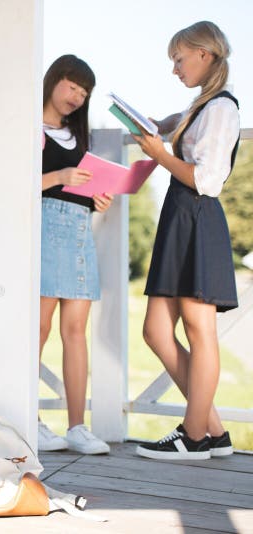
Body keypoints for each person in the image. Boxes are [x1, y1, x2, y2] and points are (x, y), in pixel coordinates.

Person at [133, 21, 240, 461]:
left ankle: (194, 436)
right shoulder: (200, 107)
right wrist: (154, 126)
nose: (175, 69)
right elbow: (175, 125)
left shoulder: (221, 108)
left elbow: (207, 180)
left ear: (204, 54)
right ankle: (213, 431)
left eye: (179, 59)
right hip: (178, 217)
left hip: (197, 215)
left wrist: (160, 155)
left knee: (199, 329)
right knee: (156, 331)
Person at [36, 55, 114, 455]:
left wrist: (98, 199)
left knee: (75, 331)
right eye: (73, 86)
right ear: (54, 80)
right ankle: (28, 419)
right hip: (44, 232)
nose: (77, 97)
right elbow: (13, 182)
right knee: (39, 329)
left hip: (80, 234)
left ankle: (77, 427)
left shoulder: (79, 137)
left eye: (84, 93)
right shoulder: (30, 129)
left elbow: (80, 187)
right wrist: (60, 177)